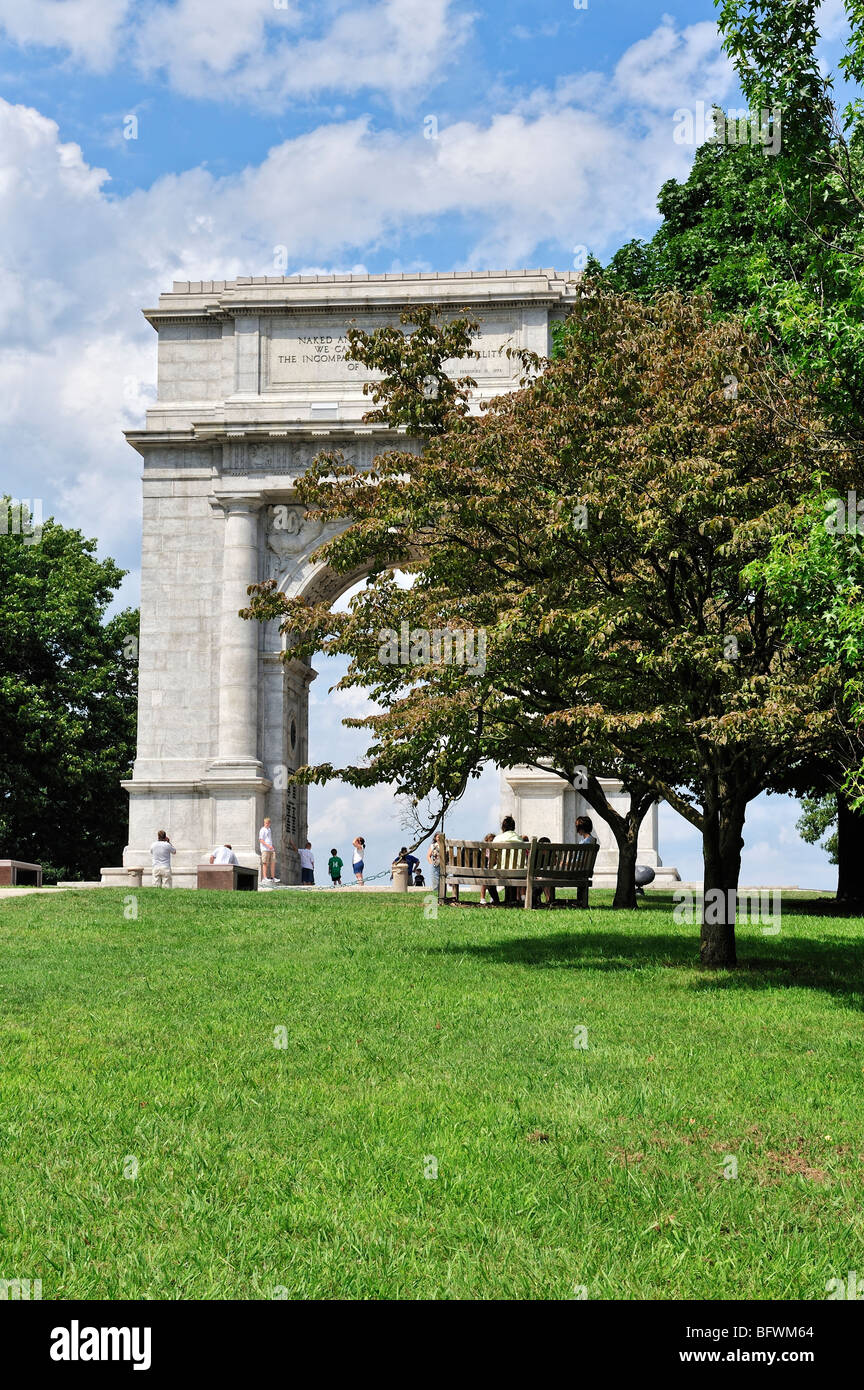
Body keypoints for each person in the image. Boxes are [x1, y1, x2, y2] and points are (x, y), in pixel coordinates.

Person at [258, 817, 277, 884]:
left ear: (269, 823)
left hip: (271, 849)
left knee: (273, 862)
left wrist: (271, 846)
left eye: (267, 823)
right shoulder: (262, 830)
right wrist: (268, 845)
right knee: (265, 863)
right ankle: (264, 877)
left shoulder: (269, 829)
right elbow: (260, 839)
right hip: (265, 849)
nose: (266, 824)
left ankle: (272, 877)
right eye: (265, 823)